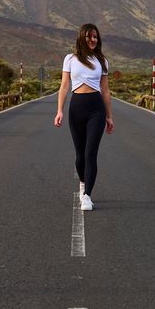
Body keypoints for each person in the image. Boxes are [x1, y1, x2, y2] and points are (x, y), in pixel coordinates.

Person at [54, 23, 114, 211]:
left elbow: (105, 90)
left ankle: (87, 195)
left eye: (95, 37)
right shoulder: (70, 59)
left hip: (96, 108)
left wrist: (109, 116)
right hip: (76, 108)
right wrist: (59, 110)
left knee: (90, 153)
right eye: (89, 37)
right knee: (80, 155)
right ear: (82, 38)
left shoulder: (102, 61)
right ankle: (82, 183)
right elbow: (64, 86)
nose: (93, 40)